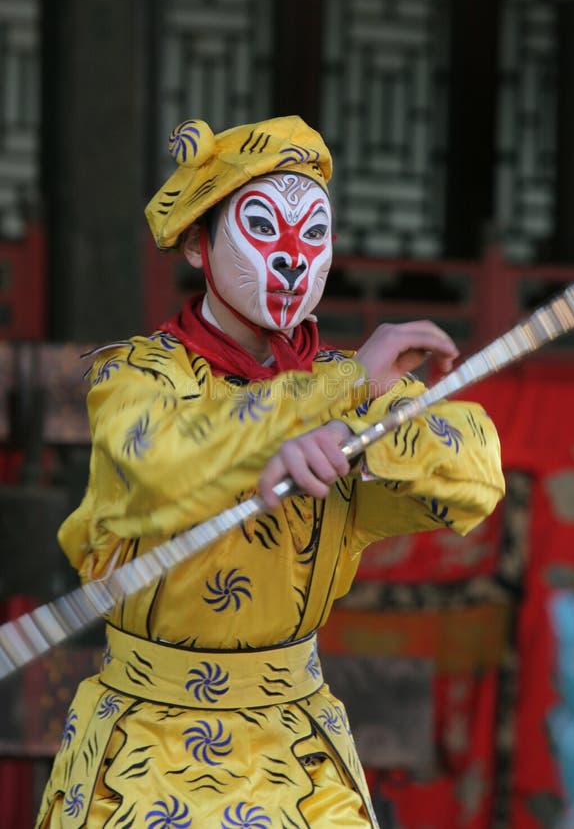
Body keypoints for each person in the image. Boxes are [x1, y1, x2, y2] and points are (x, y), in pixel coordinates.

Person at [36, 115, 505, 828]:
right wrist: (316, 407)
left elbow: (472, 474)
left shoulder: (348, 387)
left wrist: (355, 435)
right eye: (263, 226)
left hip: (299, 757)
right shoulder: (134, 376)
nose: (292, 257)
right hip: (147, 751)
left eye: (312, 233)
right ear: (199, 243)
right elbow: (162, 467)